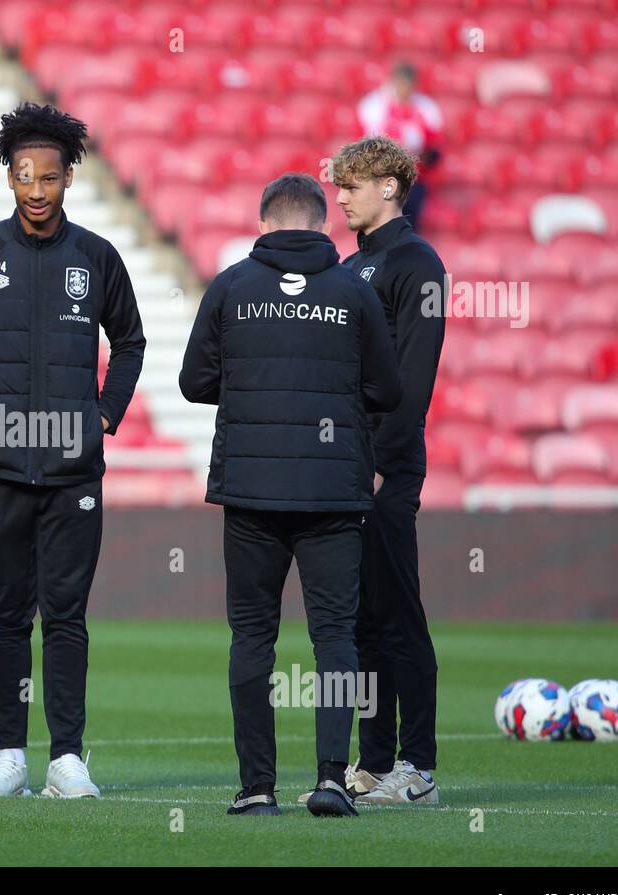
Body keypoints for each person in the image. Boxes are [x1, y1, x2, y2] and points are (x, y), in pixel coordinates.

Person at [0, 103, 145, 798]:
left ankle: (67, 759)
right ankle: (8, 757)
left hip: (72, 471)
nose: (35, 189)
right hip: (0, 469)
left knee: (66, 615)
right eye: (24, 176)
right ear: (9, 177)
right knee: (5, 615)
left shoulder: (97, 257)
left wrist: (104, 415)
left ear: (68, 178)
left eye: (48, 177)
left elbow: (131, 341)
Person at [180, 172, 401, 817]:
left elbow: (194, 381)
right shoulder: (353, 292)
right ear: (322, 223)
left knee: (252, 637)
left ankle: (257, 788)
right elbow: (387, 389)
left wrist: (253, 388)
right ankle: (332, 779)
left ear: (264, 223)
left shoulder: (231, 286)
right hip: (333, 492)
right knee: (335, 638)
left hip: (252, 493)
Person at [334, 136, 447, 806]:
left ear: (388, 186)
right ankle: (374, 761)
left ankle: (419, 767)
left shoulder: (418, 262)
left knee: (400, 611)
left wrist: (380, 462)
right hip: (348, 462)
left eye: (352, 185)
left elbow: (414, 377)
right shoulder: (352, 265)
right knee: (362, 620)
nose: (341, 197)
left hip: (385, 465)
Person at [356, 63, 443, 229]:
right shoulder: (373, 108)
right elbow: (363, 148)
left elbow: (434, 153)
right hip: (380, 178)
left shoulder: (426, 109)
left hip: (412, 180)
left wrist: (418, 156)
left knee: (408, 225)